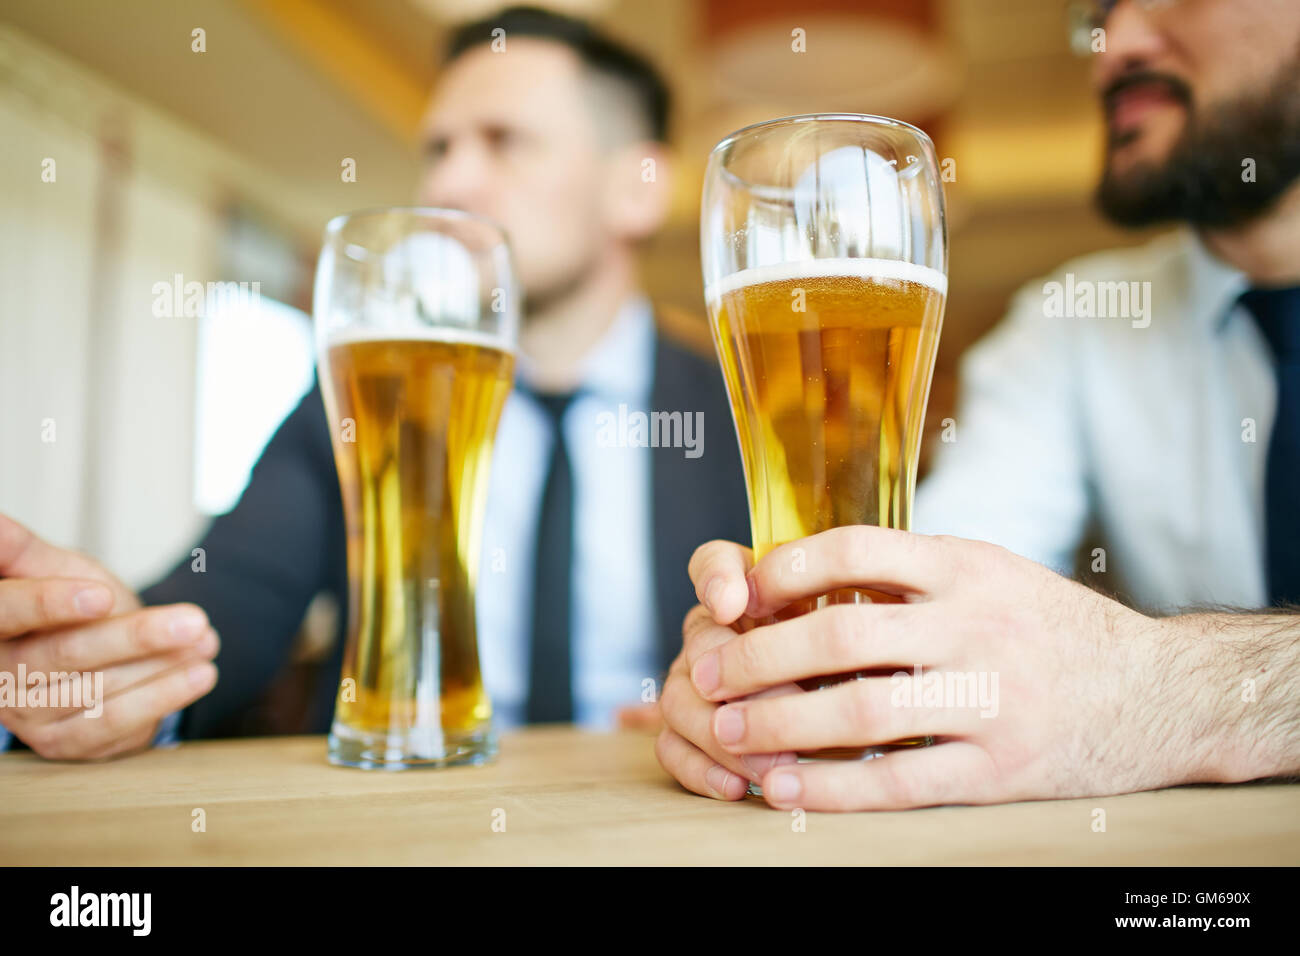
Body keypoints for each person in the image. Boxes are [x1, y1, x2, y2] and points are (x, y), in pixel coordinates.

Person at [0, 6, 747, 758]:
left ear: (639, 189)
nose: (449, 181)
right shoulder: (369, 395)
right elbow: (220, 610)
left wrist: (741, 702)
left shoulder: (745, 412)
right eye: (440, 149)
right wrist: (99, 662)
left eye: (503, 141)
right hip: (398, 811)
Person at [656, 0, 1300, 808]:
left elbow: (1137, 691)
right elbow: (942, 583)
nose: (1114, 46)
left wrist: (1166, 689)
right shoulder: (1076, 323)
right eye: (1096, 15)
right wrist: (786, 660)